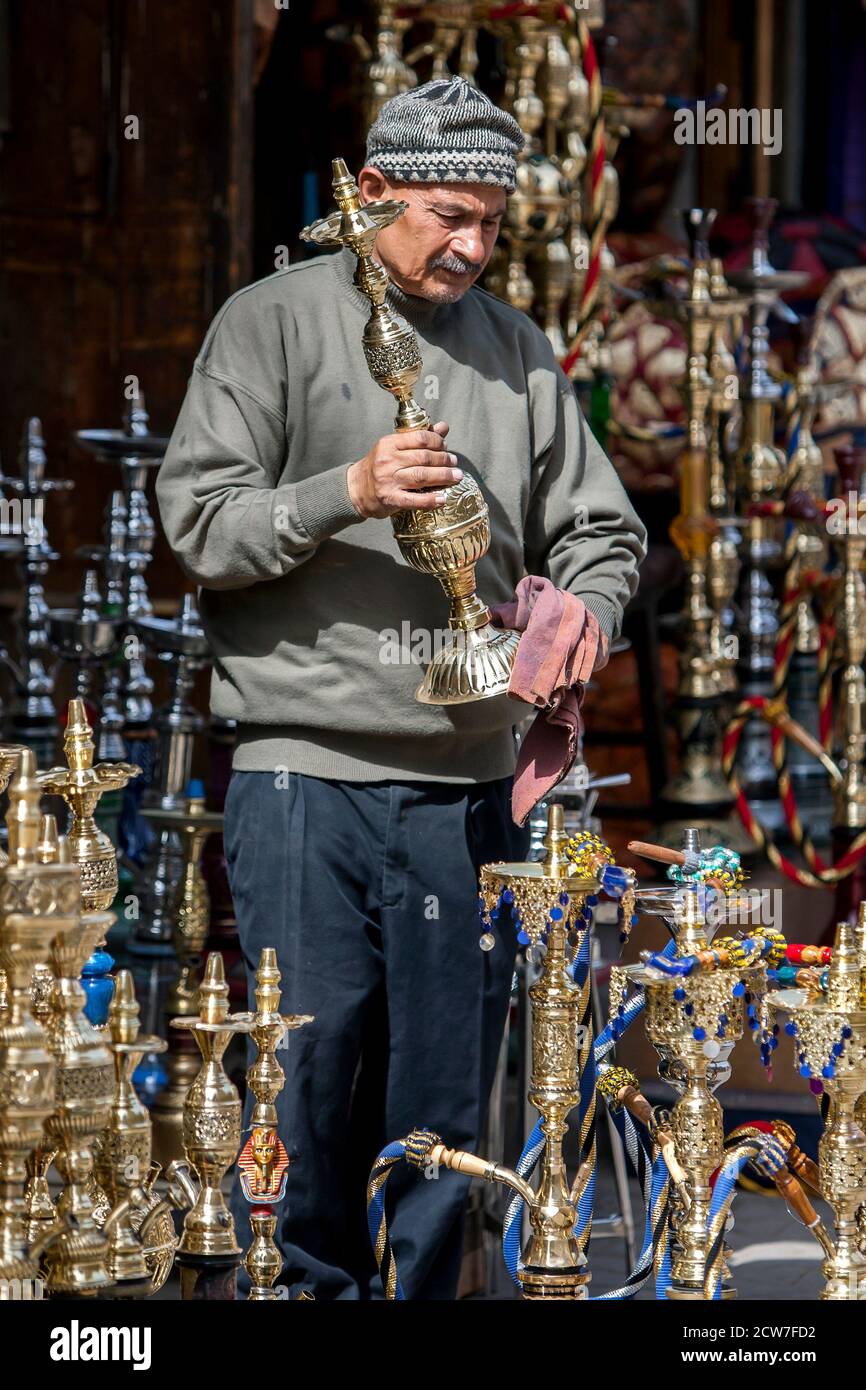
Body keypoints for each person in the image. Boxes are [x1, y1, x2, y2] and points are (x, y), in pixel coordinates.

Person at [156, 74, 646, 1300]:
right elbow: (200, 529)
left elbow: (601, 528)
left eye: (491, 222)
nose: (473, 246)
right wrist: (348, 492)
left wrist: (585, 601)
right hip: (304, 777)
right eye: (446, 215)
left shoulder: (518, 348)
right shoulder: (268, 322)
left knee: (444, 1115)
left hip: (463, 793)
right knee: (306, 1092)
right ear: (372, 192)